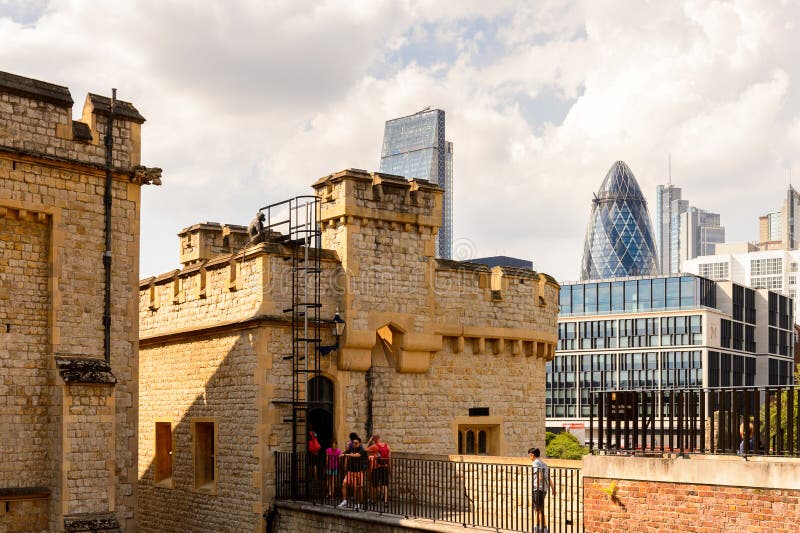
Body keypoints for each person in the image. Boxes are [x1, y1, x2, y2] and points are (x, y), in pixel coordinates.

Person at [529, 447, 555, 533]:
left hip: (537, 488)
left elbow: (539, 473)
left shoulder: (535, 463)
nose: (530, 457)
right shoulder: (544, 464)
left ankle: (540, 528)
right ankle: (541, 528)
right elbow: (548, 478)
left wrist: (537, 484)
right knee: (539, 508)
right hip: (544, 489)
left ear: (532, 455)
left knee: (538, 509)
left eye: (530, 455)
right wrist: (553, 488)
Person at [338, 436, 368, 510]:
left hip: (358, 472)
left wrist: (346, 455)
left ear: (359, 443)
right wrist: (346, 448)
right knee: (344, 483)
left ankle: (358, 504)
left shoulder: (362, 450)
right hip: (350, 472)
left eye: (356, 443)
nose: (354, 444)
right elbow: (341, 453)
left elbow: (357, 455)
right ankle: (345, 501)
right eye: (353, 443)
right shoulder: (351, 449)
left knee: (358, 488)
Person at [366, 434, 391, 504]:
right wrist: (389, 467)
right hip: (385, 466)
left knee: (375, 484)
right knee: (385, 484)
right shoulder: (386, 445)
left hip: (376, 467)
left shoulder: (374, 446)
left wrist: (369, 441)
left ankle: (374, 500)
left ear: (374, 439)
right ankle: (386, 501)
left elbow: (365, 449)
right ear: (379, 438)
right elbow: (389, 456)